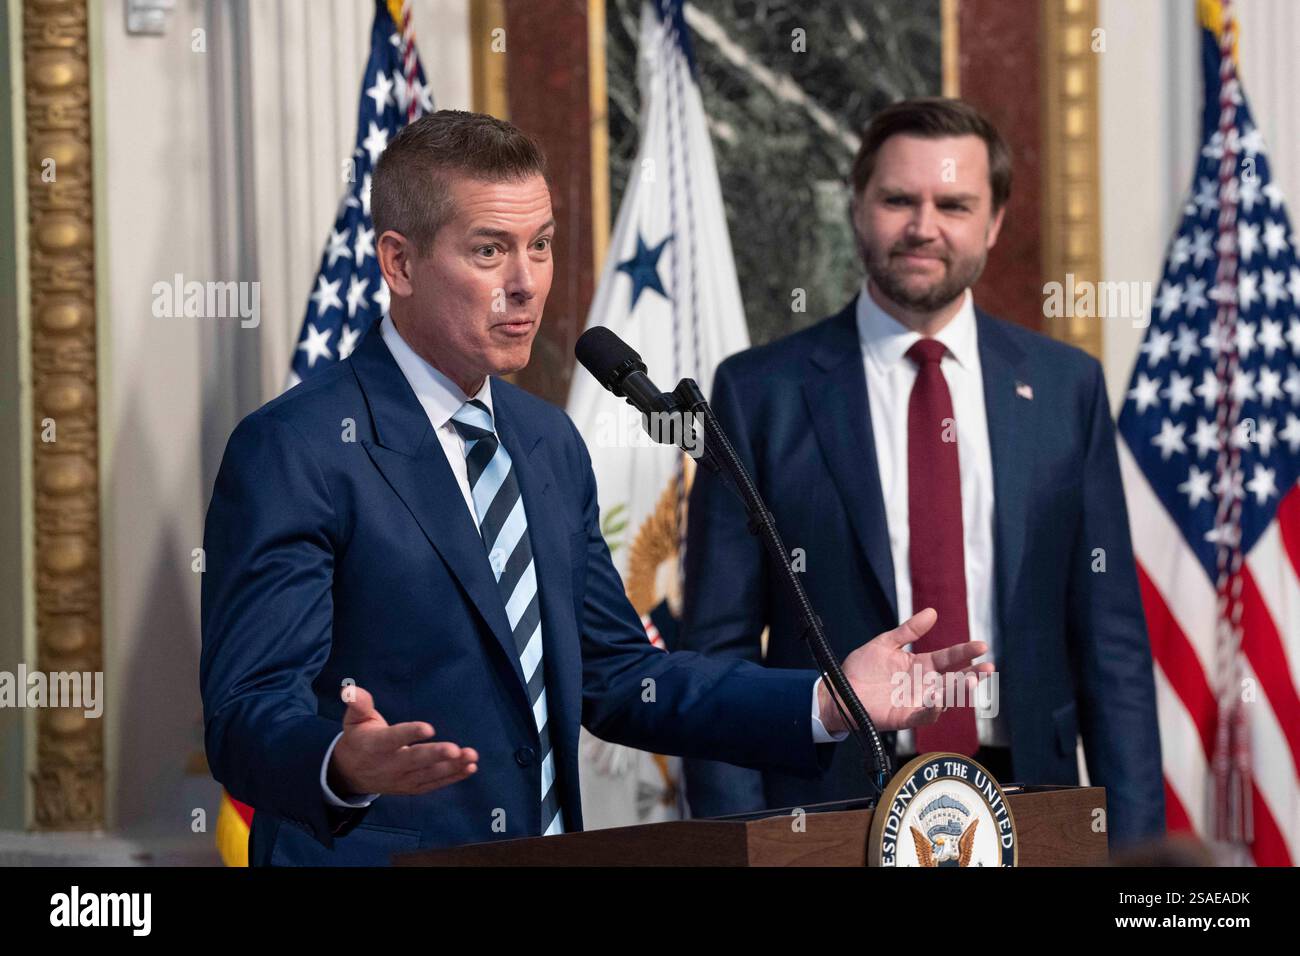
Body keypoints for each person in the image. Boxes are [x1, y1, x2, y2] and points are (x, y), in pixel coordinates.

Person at [199, 109, 992, 866]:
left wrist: (826, 700)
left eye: (540, 245)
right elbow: (245, 715)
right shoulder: (295, 449)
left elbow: (618, 677)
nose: (526, 283)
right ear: (399, 263)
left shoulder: (546, 442)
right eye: (488, 251)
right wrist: (341, 762)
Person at [681, 97, 1165, 849]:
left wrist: (1138, 865)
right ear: (858, 205)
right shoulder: (757, 394)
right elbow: (718, 653)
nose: (923, 227)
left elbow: (1114, 654)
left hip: (1031, 798)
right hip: (827, 811)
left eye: (955, 204)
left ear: (995, 221)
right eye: (899, 200)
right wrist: (739, 845)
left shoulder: (1066, 388)